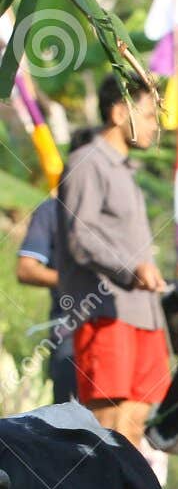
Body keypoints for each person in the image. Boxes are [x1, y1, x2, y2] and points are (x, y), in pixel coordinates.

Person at [58, 73, 177, 489]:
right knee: (106, 434)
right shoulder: (87, 162)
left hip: (140, 313)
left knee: (135, 430)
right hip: (106, 313)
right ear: (117, 112)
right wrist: (132, 269)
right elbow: (80, 237)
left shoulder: (124, 169)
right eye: (150, 113)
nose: (156, 124)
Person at [15, 129, 98, 403]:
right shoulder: (51, 211)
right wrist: (71, 279)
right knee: (69, 416)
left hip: (116, 326)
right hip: (70, 326)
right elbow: (26, 268)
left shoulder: (115, 212)